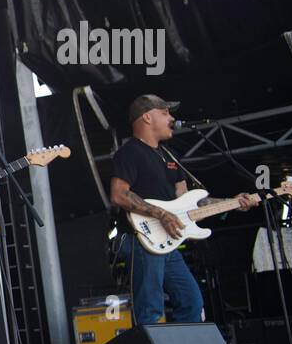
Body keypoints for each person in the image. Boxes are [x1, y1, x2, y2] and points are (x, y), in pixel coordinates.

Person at [109, 94, 258, 326]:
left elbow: (189, 201)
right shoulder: (130, 152)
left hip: (168, 243)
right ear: (147, 117)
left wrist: (232, 202)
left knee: (191, 302)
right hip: (142, 239)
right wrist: (161, 214)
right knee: (150, 307)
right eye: (165, 112)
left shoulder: (170, 157)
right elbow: (119, 194)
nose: (172, 118)